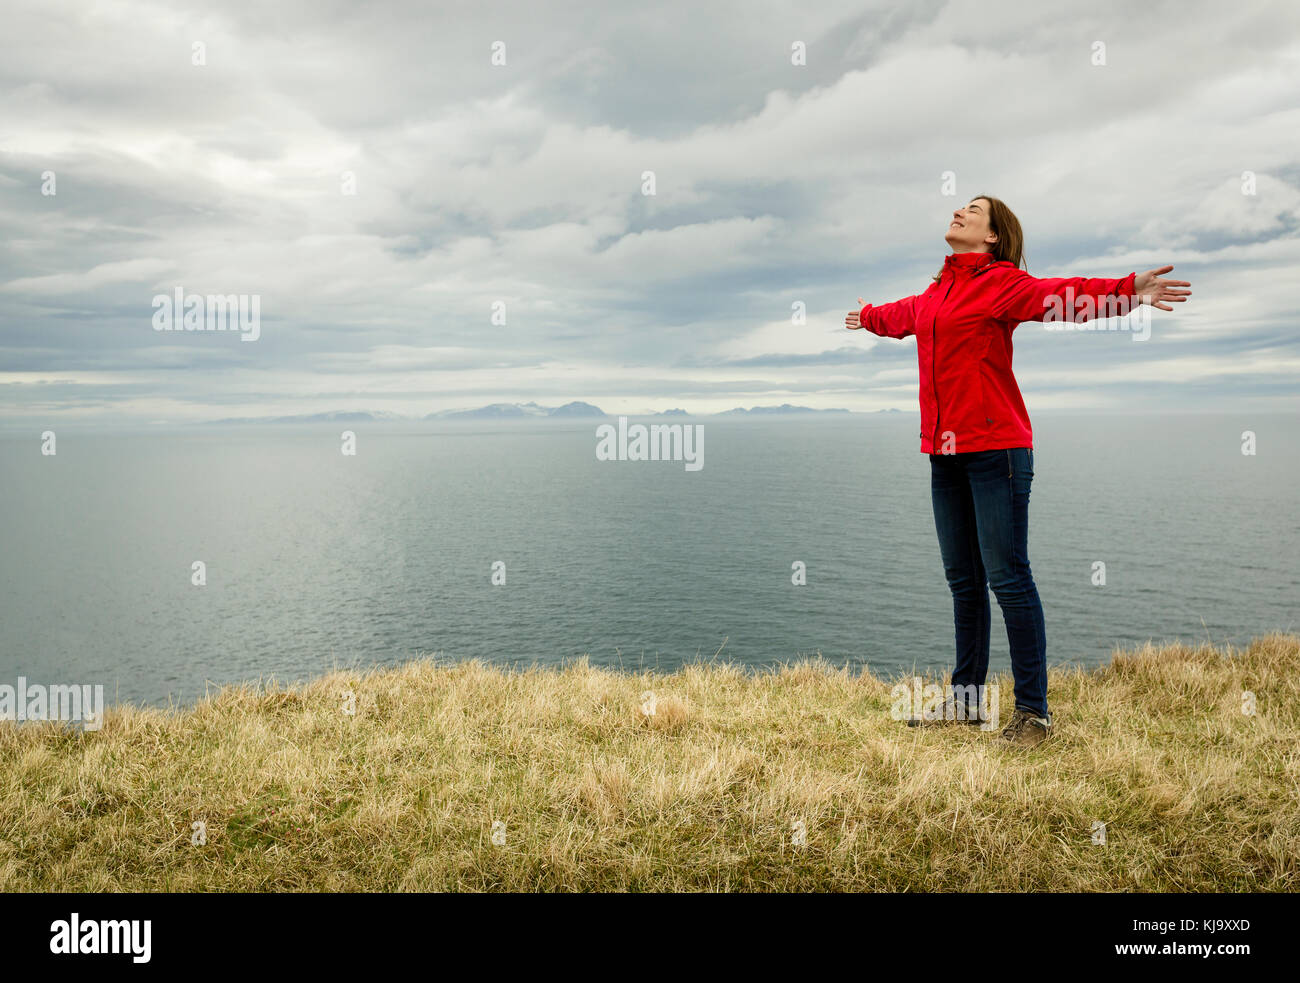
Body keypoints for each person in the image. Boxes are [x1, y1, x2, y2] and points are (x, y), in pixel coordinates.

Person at [845, 196, 1191, 746]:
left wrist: (1128, 292)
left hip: (998, 451)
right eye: (960, 207)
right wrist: (865, 317)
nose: (959, 212)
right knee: (964, 580)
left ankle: (1034, 714)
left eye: (973, 210)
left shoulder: (1002, 283)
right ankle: (965, 704)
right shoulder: (937, 293)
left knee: (1009, 579)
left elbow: (1062, 295)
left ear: (993, 237)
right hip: (944, 454)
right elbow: (901, 315)